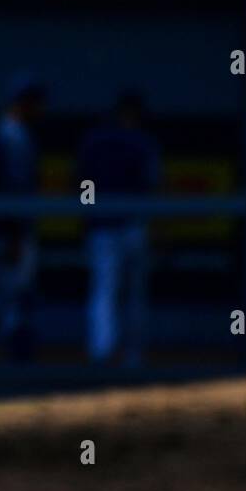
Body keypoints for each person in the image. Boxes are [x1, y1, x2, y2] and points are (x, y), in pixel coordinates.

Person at [77, 91, 161, 365]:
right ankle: (127, 356)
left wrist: (87, 218)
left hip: (107, 226)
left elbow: (80, 184)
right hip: (128, 226)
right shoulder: (138, 142)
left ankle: (102, 354)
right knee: (128, 294)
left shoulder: (96, 140)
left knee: (107, 291)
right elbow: (152, 185)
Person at [0, 75, 45, 360]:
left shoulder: (8, 132)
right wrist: (15, 234)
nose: (39, 109)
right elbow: (12, 189)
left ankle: (8, 350)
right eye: (35, 103)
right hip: (6, 230)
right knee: (10, 296)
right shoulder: (10, 134)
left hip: (4, 228)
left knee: (7, 296)